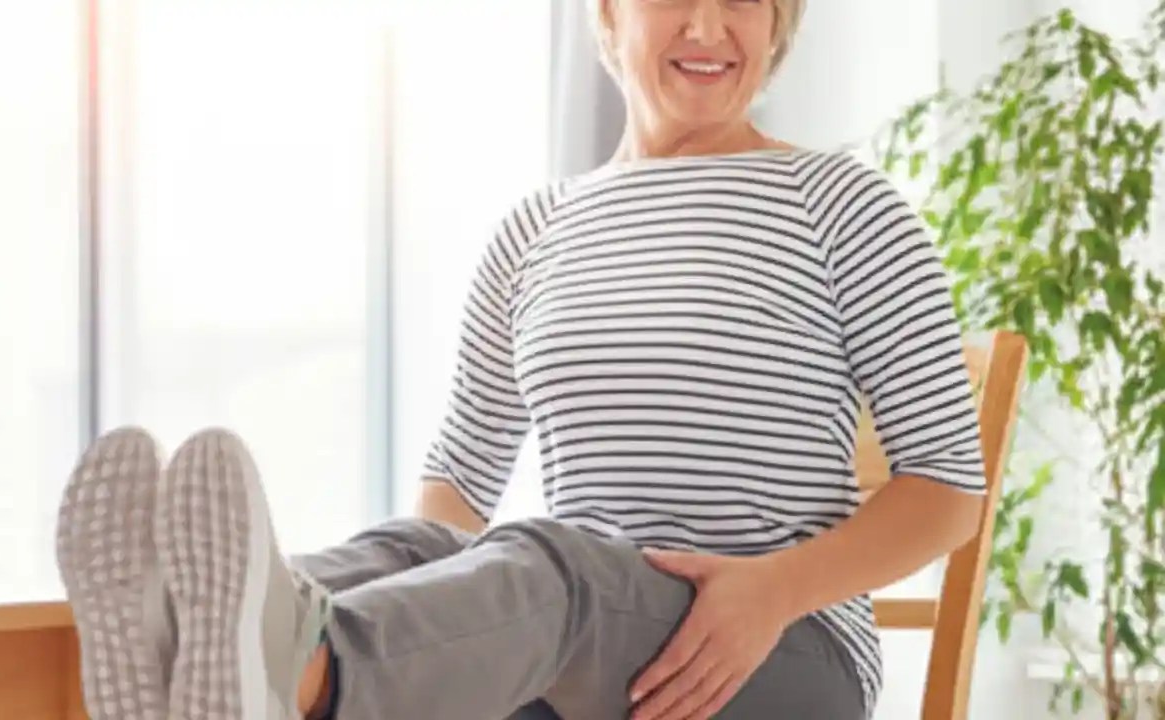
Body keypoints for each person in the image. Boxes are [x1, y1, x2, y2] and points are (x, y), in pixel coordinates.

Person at [54, 1, 989, 718]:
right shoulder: (535, 231)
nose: (708, 27)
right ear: (609, 13)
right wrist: (434, 581)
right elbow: (458, 483)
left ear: (778, 22)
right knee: (417, 548)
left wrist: (775, 591)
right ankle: (189, 634)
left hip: (778, 651)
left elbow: (948, 489)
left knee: (550, 566)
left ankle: (297, 680)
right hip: (583, 650)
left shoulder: (842, 206)